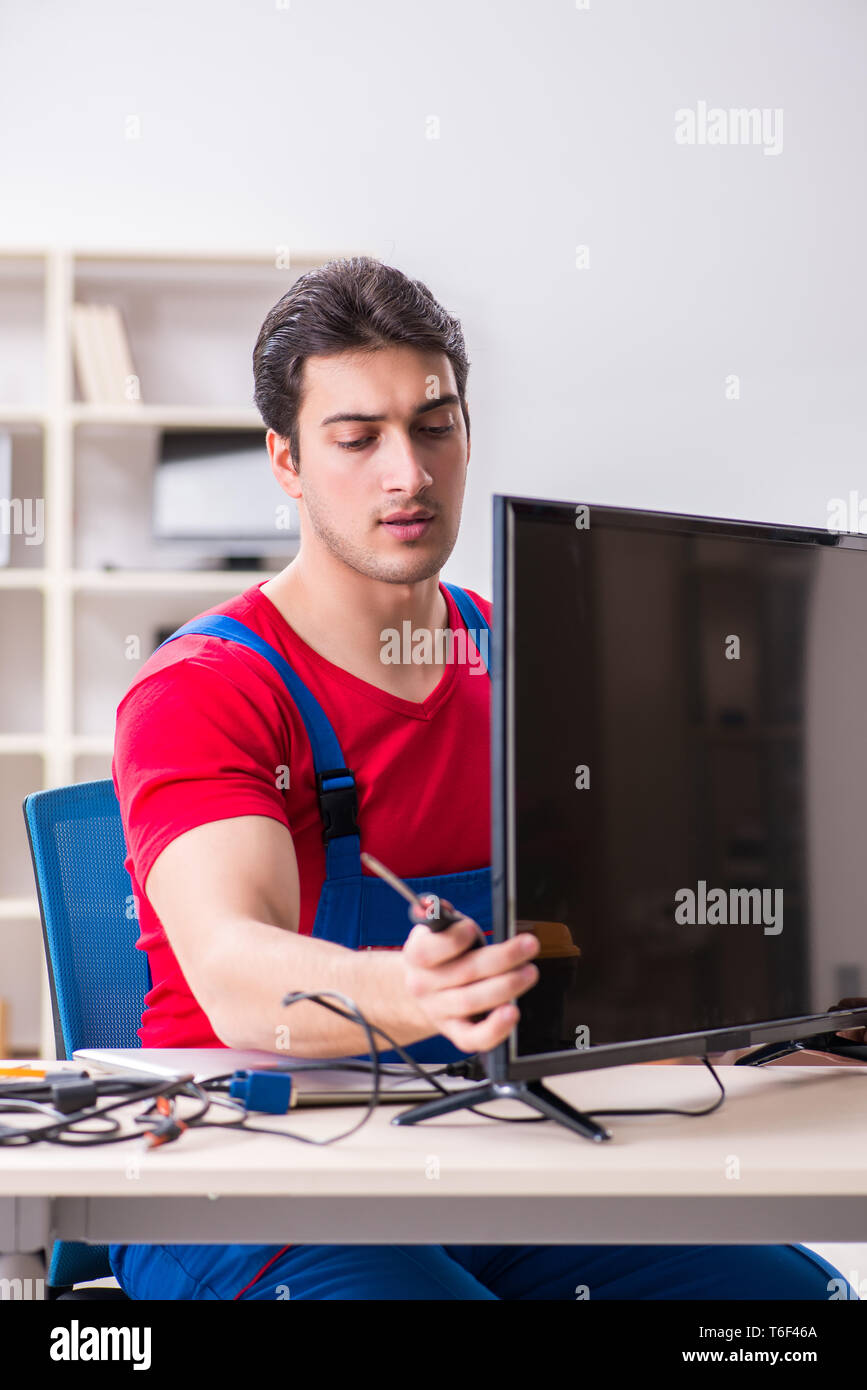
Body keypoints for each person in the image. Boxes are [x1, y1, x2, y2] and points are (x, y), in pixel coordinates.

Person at [109, 256, 855, 1300]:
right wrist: (409, 992)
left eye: (434, 424)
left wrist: (807, 1014)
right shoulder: (207, 690)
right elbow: (237, 975)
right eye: (357, 438)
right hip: (248, 1181)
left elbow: (623, 950)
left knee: (786, 1308)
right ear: (284, 460)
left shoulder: (531, 659)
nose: (406, 473)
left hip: (492, 1148)